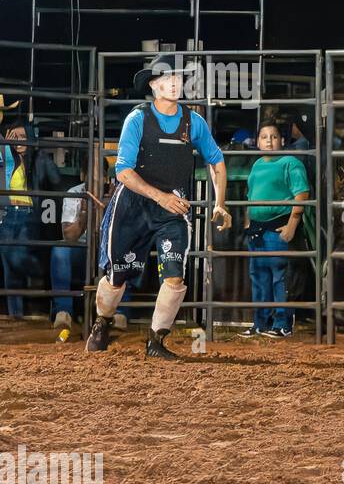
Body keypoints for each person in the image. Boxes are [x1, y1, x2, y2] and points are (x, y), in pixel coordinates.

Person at [85, 55, 230, 359]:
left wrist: (220, 203)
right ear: (153, 85)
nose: (174, 83)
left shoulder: (194, 121)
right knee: (117, 275)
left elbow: (216, 160)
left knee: (174, 275)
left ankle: (156, 341)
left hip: (171, 207)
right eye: (166, 78)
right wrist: (159, 196)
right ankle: (103, 321)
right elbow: (123, 171)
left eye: (177, 78)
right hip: (132, 205)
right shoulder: (137, 119)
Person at [239, 121, 310, 338]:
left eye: (273, 136)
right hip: (257, 230)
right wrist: (247, 222)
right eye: (264, 137)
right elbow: (250, 195)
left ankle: (283, 324)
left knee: (280, 278)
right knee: (259, 277)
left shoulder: (291, 162)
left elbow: (302, 195)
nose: (269, 141)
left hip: (278, 228)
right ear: (258, 141)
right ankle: (260, 323)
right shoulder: (257, 164)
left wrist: (291, 225)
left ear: (282, 140)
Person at [0, 112, 41, 318]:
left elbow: (52, 176)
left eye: (22, 137)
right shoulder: (9, 160)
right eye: (13, 138)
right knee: (9, 264)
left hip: (28, 215)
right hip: (9, 215)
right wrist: (5, 142)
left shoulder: (36, 162)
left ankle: (39, 275)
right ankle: (16, 314)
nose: (18, 142)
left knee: (16, 258)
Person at [50, 166, 89, 332]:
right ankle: (63, 311)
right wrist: (84, 214)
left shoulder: (115, 192)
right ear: (83, 173)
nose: (96, 176)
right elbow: (69, 237)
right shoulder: (74, 193)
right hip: (80, 249)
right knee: (61, 250)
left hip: (107, 250)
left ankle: (118, 313)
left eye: (101, 172)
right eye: (91, 170)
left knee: (124, 250)